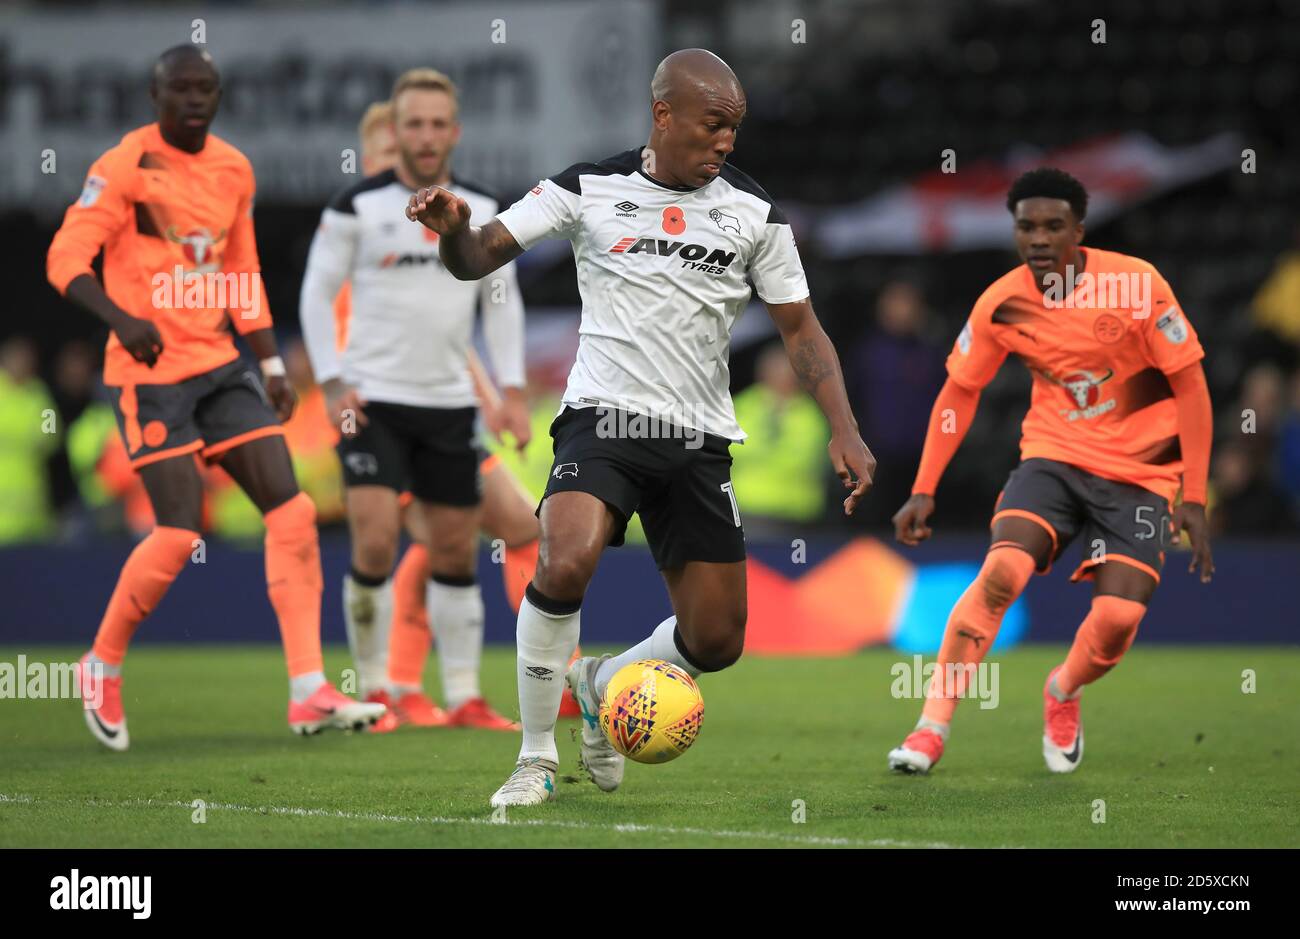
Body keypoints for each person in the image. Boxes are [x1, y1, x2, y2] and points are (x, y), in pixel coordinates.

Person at [409, 48, 875, 807]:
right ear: (664, 115)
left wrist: (845, 428)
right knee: (563, 563)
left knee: (718, 640)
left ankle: (601, 679)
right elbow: (478, 257)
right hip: (602, 420)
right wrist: (454, 230)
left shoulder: (756, 213)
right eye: (714, 125)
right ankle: (533, 759)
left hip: (697, 437)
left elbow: (802, 331)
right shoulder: (587, 187)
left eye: (735, 129)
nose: (726, 142)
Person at [46, 45, 383, 751]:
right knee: (178, 531)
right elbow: (64, 260)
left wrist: (269, 361)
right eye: (181, 88)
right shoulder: (123, 166)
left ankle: (306, 690)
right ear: (155, 93)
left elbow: (242, 269)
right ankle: (100, 663)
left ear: (219, 96)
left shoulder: (234, 168)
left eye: (207, 89)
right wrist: (121, 319)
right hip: (150, 372)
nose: (195, 99)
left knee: (291, 513)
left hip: (222, 363)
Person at [888, 167, 1214, 775]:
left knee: (1117, 619)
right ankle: (930, 727)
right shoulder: (1002, 300)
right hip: (1054, 458)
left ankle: (1063, 689)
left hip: (1142, 471)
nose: (1038, 238)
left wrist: (1193, 491)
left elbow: (1190, 384)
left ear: (1079, 231)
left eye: (1052, 226)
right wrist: (923, 488)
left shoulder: (1138, 286)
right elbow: (960, 393)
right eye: (1026, 226)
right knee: (1000, 574)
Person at [333, 99, 581, 729]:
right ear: (373, 160)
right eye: (391, 153)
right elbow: (345, 343)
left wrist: (498, 395)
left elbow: (450, 333)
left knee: (513, 530)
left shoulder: (443, 236)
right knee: (456, 539)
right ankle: (398, 687)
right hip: (382, 416)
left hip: (448, 411)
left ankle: (456, 688)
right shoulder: (360, 238)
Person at [301, 70, 526, 734]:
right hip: (373, 403)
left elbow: (501, 301)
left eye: (437, 124)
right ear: (395, 131)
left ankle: (463, 696)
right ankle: (376, 692)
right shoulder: (355, 206)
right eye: (414, 123)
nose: (426, 135)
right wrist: (333, 382)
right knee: (373, 543)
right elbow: (317, 294)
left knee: (455, 553)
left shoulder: (482, 205)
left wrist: (510, 389)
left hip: (449, 406)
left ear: (453, 132)